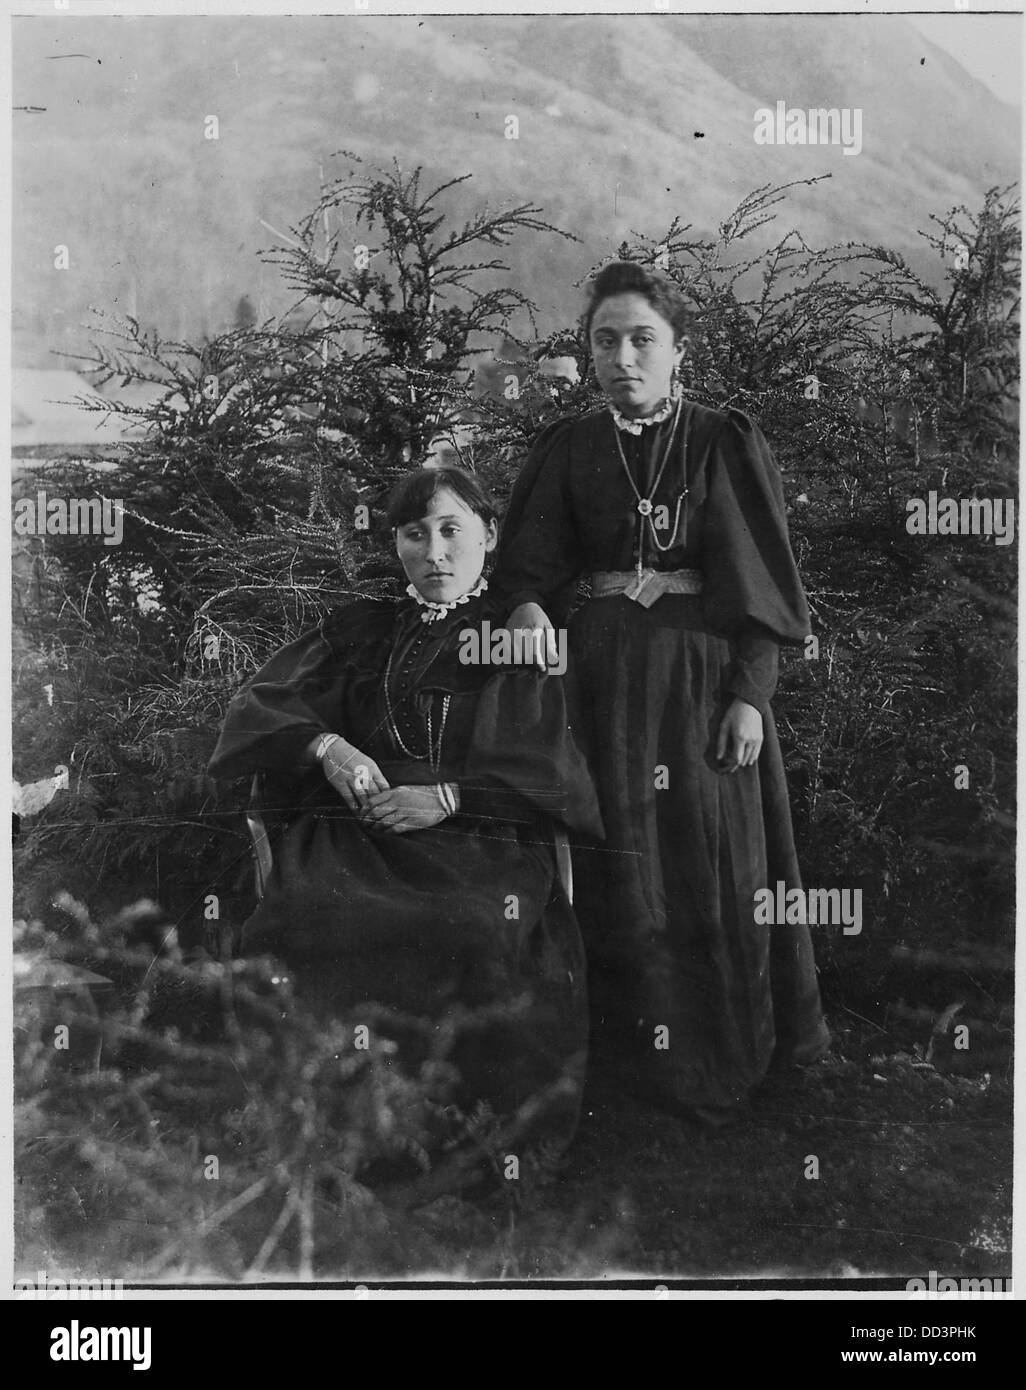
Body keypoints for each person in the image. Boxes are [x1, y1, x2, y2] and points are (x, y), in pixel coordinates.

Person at [491, 261, 830, 1126]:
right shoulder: (569, 448)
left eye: (643, 339)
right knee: (617, 868)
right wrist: (529, 605)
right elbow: (526, 570)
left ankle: (720, 1064)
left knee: (709, 863)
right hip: (599, 691)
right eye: (606, 341)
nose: (623, 357)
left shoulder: (723, 440)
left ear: (679, 350)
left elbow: (761, 592)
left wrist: (751, 695)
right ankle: (626, 1081)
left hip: (700, 686)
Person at [207, 467, 602, 1174]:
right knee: (301, 915)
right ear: (396, 545)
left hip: (477, 836)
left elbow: (546, 765)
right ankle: (329, 1131)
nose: (435, 552)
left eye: (452, 530)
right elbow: (259, 705)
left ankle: (458, 1138)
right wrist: (327, 747)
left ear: (489, 535)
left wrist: (448, 797)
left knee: (469, 927)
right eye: (415, 534)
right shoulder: (364, 628)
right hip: (358, 828)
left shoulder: (511, 632)